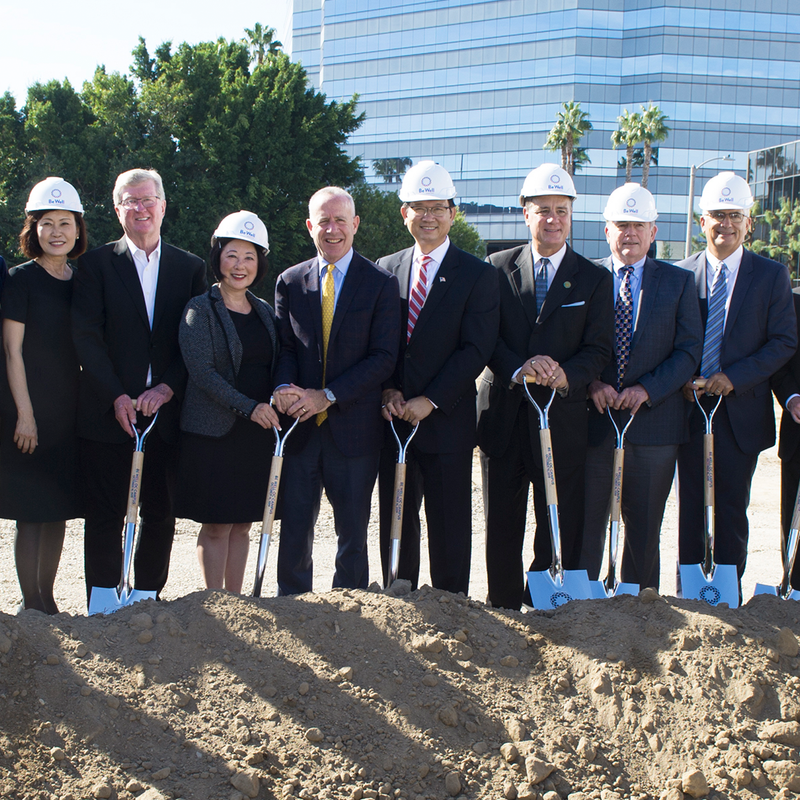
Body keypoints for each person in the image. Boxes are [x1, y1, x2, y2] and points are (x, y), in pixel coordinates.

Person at [477, 164, 614, 610]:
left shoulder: (593, 278)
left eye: (561, 210)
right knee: (502, 521)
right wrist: (520, 367)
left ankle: (544, 606)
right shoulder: (496, 269)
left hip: (562, 419)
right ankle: (502, 610)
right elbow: (485, 339)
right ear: (526, 213)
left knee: (556, 516)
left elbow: (598, 349)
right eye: (543, 210)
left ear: (571, 215)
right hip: (505, 415)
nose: (552, 219)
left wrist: (566, 373)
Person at [72, 168, 207, 605]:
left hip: (165, 414)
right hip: (107, 409)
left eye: (148, 199)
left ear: (163, 205)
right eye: (130, 201)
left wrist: (167, 388)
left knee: (160, 511)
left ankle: (147, 596)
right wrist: (115, 394)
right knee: (106, 511)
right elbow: (86, 338)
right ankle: (104, 601)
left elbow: (196, 342)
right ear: (117, 210)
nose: (140, 208)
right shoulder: (94, 265)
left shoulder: (189, 268)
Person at [376, 161, 499, 594]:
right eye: (417, 207)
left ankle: (451, 607)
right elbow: (381, 343)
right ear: (403, 213)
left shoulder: (478, 274)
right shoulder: (385, 268)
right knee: (397, 522)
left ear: (452, 213)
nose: (427, 216)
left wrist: (430, 400)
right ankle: (397, 599)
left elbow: (476, 349)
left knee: (448, 524)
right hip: (395, 420)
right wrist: (391, 389)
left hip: (446, 420)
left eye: (437, 207)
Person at [273, 186, 400, 595]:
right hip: (300, 429)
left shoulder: (381, 283)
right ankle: (292, 605)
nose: (332, 229)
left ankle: (352, 608)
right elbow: (286, 349)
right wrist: (285, 388)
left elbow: (383, 357)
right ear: (311, 226)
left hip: (355, 430)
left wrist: (326, 395)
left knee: (353, 532)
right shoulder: (290, 281)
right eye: (323, 221)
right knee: (294, 527)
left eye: (340, 220)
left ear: (355, 224)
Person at [677, 171, 796, 589]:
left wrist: (733, 377)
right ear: (701, 222)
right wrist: (684, 378)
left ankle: (726, 592)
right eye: (716, 216)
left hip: (739, 413)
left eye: (734, 215)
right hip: (688, 411)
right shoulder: (680, 274)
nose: (725, 224)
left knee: (730, 508)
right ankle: (691, 595)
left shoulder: (770, 276)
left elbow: (783, 342)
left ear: (749, 222)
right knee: (691, 506)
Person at [581, 184, 703, 591]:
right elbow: (574, 345)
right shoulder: (586, 278)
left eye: (639, 225)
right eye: (621, 225)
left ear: (653, 231)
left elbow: (688, 352)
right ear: (607, 231)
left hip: (655, 426)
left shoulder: (679, 283)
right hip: (595, 425)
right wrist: (591, 382)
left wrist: (647, 390)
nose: (629, 233)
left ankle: (640, 607)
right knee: (588, 521)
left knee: (645, 526)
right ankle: (581, 605)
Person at [176, 211, 280, 593]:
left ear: (260, 263)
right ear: (218, 256)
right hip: (215, 432)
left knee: (243, 523)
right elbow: (202, 374)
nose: (240, 265)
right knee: (217, 523)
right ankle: (214, 602)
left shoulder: (266, 312)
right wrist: (249, 407)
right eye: (232, 254)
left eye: (250, 256)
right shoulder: (198, 309)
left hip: (255, 434)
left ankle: (237, 605)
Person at [0, 178, 86, 613]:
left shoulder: (83, 280)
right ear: (33, 229)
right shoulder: (20, 280)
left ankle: (48, 601)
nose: (57, 232)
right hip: (29, 409)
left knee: (58, 509)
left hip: (70, 411)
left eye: (65, 223)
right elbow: (12, 352)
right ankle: (30, 604)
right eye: (47, 223)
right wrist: (25, 415)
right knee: (31, 509)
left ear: (78, 228)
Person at [772, 289, 800, 592]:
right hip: (798, 433)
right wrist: (792, 399)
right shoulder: (792, 304)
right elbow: (778, 361)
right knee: (793, 519)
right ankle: (792, 585)